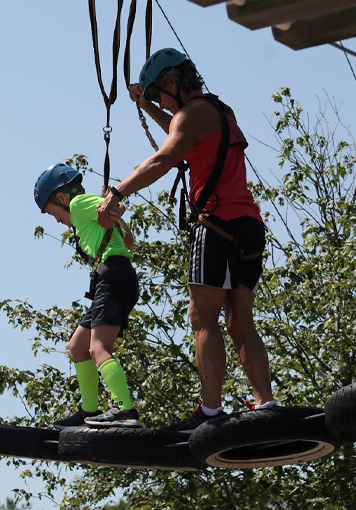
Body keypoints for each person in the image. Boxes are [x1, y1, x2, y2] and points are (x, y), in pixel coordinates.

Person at [96, 48, 276, 431]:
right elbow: (180, 132)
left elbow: (163, 158)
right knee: (240, 318)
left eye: (161, 94)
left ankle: (210, 412)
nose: (162, 102)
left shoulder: (192, 115)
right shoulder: (218, 111)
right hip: (249, 225)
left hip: (216, 226)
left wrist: (118, 193)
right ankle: (266, 403)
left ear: (173, 84)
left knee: (202, 317)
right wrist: (146, 104)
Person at [34, 163, 142, 429]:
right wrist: (112, 213)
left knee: (98, 348)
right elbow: (129, 241)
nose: (56, 219)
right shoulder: (86, 214)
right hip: (115, 278)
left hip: (114, 278)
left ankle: (125, 409)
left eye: (52, 213)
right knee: (78, 346)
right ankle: (88, 411)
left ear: (61, 198)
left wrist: (112, 204)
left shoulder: (79, 204)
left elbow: (114, 207)